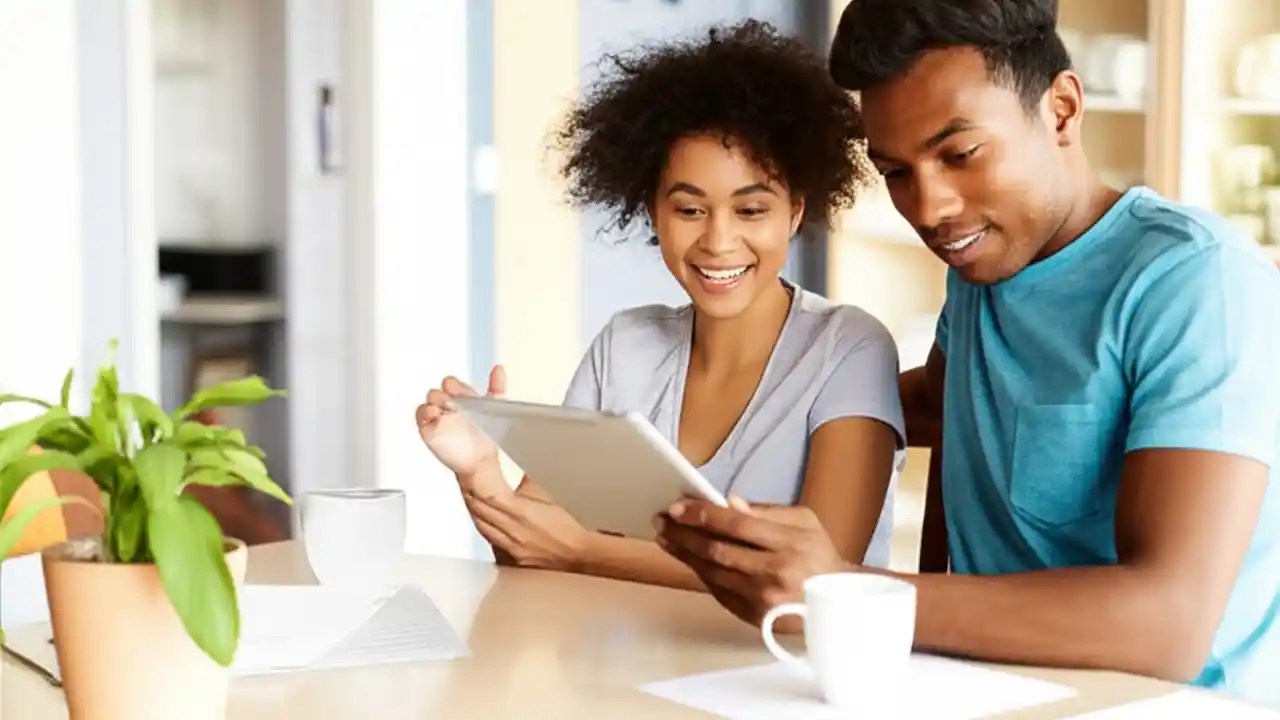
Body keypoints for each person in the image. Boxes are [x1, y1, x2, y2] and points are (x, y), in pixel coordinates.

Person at [655, 0, 1280, 706]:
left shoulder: (1198, 283)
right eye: (895, 172)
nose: (929, 207)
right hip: (985, 691)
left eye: (961, 154)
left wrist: (844, 589)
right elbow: (938, 404)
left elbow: (1167, 624)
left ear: (1063, 110)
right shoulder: (988, 266)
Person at [415, 20, 904, 591]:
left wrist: (583, 552)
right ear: (653, 211)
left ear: (796, 211)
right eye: (690, 210)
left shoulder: (848, 349)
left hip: (778, 672)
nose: (719, 242)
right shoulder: (625, 348)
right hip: (623, 666)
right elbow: (533, 553)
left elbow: (818, 578)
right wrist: (479, 473)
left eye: (750, 211)